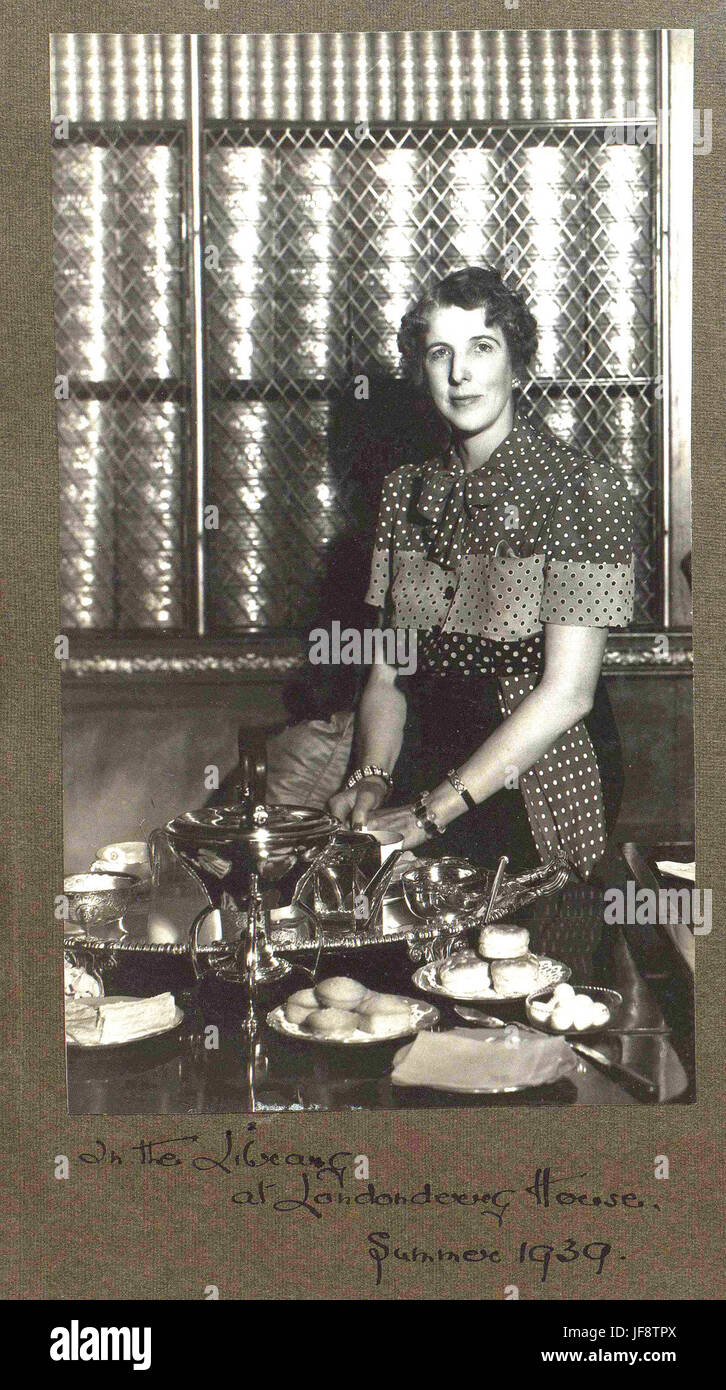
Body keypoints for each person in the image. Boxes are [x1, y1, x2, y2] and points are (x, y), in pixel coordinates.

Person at [328, 266, 634, 878]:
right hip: (426, 758)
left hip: (536, 772)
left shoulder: (582, 488)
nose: (459, 373)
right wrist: (372, 776)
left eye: (481, 348)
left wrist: (431, 812)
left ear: (517, 366)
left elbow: (569, 694)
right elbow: (391, 674)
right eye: (440, 353)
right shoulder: (406, 492)